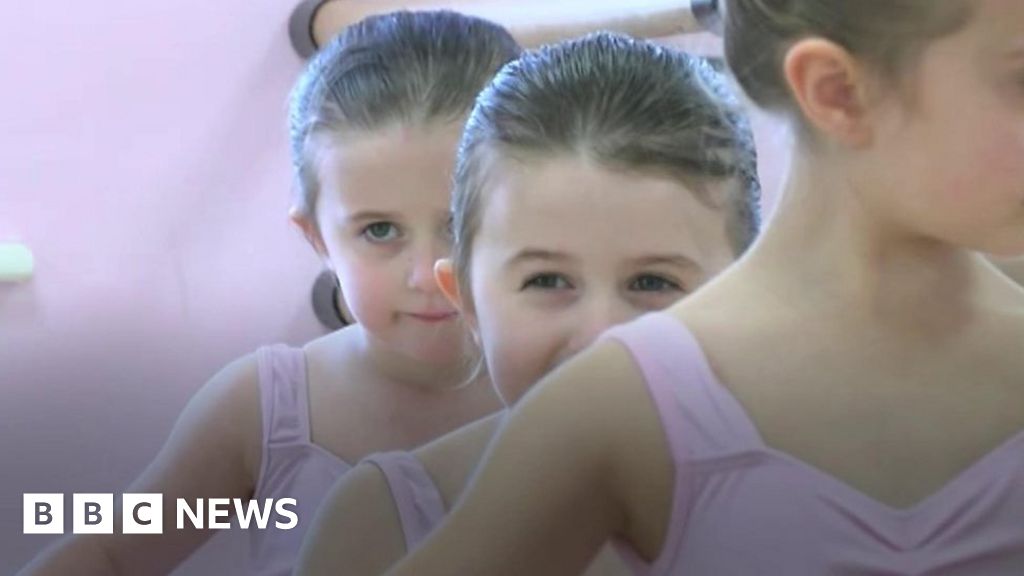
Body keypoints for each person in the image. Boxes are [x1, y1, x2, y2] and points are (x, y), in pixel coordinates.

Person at [384, 1, 1024, 574]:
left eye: (650, 280)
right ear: (837, 93)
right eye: (1020, 79)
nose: (603, 320)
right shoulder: (620, 399)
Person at [18, 11, 520, 576]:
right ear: (318, 240)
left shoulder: (580, 382)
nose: (428, 274)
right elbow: (109, 550)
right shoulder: (265, 408)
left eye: (460, 222)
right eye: (379, 230)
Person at [296, 32, 759, 576]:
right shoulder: (382, 520)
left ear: (748, 296)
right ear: (466, 300)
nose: (601, 335)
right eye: (546, 281)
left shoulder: (829, 487)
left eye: (653, 282)